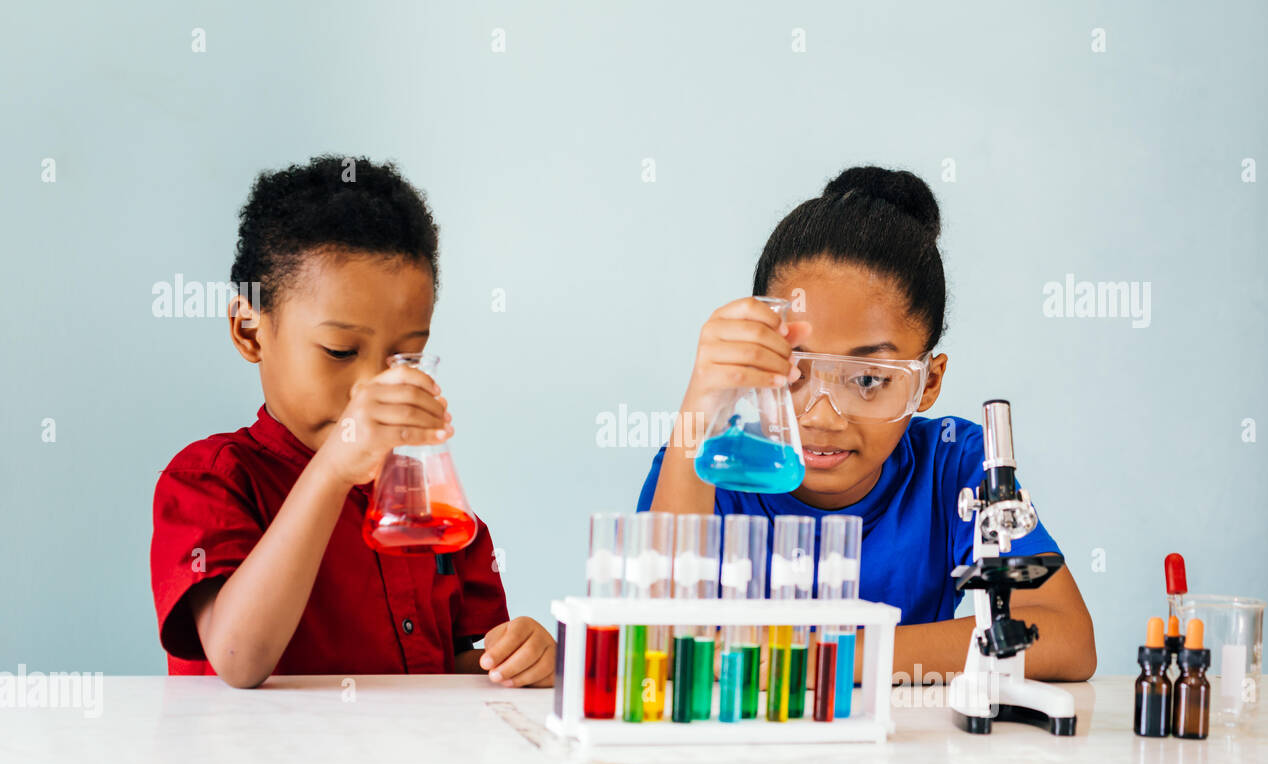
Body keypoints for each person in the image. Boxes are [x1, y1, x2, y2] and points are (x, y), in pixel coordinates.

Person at [639, 165, 1095, 683]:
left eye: (870, 380)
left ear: (927, 383)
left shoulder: (953, 465)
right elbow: (653, 641)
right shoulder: (709, 463)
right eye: (794, 370)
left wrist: (817, 657)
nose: (822, 415)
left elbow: (1066, 637)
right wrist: (702, 399)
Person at [150, 155, 555, 689]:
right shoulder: (211, 480)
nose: (373, 386)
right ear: (251, 331)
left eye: (403, 358)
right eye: (341, 351)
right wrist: (333, 469)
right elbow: (237, 658)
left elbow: (447, 675)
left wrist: (517, 661)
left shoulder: (430, 507)